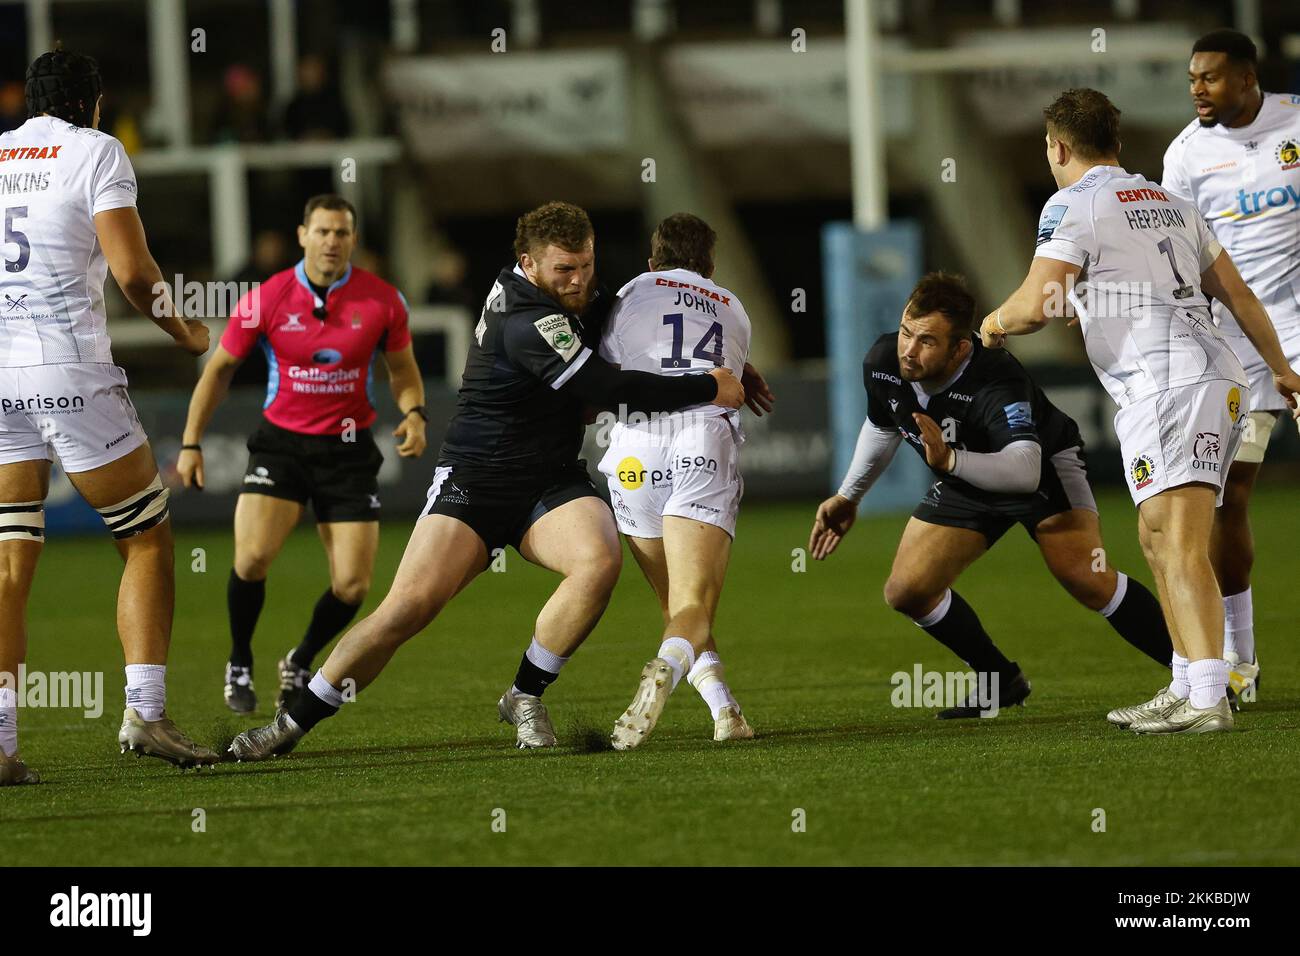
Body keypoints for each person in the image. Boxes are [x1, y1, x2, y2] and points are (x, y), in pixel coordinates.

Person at [228, 201, 744, 760]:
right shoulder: (524, 321)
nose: (580, 282)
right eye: (564, 271)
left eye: (587, 265)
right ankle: (291, 722)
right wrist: (709, 386)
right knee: (405, 611)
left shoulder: (570, 293)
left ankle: (524, 694)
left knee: (598, 562)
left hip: (550, 480)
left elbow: (637, 331)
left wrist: (737, 366)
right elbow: (606, 384)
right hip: (476, 479)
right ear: (528, 262)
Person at [979, 88, 1300, 734]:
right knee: (1158, 539)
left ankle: (1211, 695)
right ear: (1115, 143)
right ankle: (1187, 681)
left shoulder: (1073, 204)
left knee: (1178, 543)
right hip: (1213, 379)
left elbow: (1040, 302)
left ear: (1059, 147)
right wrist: (1282, 369)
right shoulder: (1169, 201)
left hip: (1168, 386)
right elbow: (1236, 294)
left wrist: (993, 322)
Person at [810, 272, 1174, 719]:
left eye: (927, 341)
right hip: (967, 475)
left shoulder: (994, 380)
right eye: (907, 331)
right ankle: (999, 679)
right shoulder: (885, 360)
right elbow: (884, 424)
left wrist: (949, 464)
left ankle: (1197, 676)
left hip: (1043, 473)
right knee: (907, 591)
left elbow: (1024, 468)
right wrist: (849, 497)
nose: (909, 348)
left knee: (1088, 579)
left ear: (960, 347)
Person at [0, 50, 217, 784]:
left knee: (7, 562)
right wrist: (185, 330)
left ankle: (1, 746)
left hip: (0, 379)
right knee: (147, 536)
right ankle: (146, 713)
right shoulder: (97, 152)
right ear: (91, 102)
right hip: (68, 369)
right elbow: (132, 270)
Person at [177, 195, 426, 715]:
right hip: (283, 444)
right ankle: (239, 659)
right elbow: (219, 369)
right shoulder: (267, 298)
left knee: (353, 585)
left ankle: (300, 658)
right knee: (250, 558)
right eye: (323, 231)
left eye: (342, 233)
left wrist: (415, 412)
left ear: (353, 240)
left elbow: (401, 370)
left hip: (348, 450)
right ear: (302, 235)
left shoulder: (383, 300)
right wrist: (191, 442)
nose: (332, 241)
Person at [597, 212, 774, 749]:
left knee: (678, 607)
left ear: (653, 261)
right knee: (693, 605)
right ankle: (663, 673)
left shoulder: (629, 292)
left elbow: (604, 371)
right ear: (711, 265)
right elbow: (731, 376)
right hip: (701, 438)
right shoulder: (732, 306)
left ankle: (727, 713)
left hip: (633, 448)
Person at [1160, 30, 1300, 701]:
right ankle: (1240, 657)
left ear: (1246, 79)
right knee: (1228, 498)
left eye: (1210, 78)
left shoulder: (1296, 123)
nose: (1197, 90)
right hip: (1241, 346)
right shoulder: (1185, 155)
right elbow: (1172, 250)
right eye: (1192, 78)